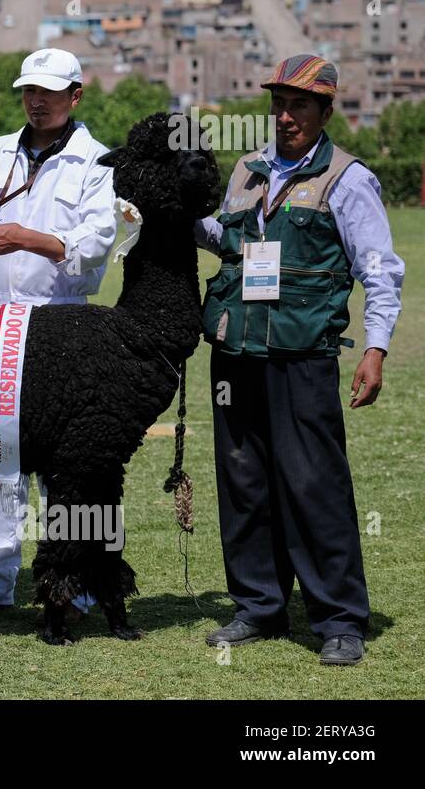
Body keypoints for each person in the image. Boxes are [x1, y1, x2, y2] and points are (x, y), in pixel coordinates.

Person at [196, 54, 403, 666]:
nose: (286, 116)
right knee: (243, 483)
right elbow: (226, 236)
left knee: (314, 484)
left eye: (300, 105)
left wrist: (376, 347)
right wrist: (173, 210)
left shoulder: (348, 178)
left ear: (324, 111)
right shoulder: (247, 169)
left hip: (303, 353)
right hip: (236, 350)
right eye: (280, 104)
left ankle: (339, 619)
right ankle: (257, 606)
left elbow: (379, 271)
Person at [0, 48, 116, 616]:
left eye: (48, 92)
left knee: (67, 464)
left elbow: (96, 245)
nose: (35, 101)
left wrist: (26, 238)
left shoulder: (97, 163)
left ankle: (77, 587)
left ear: (75, 96)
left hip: (59, 324)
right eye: (28, 91)